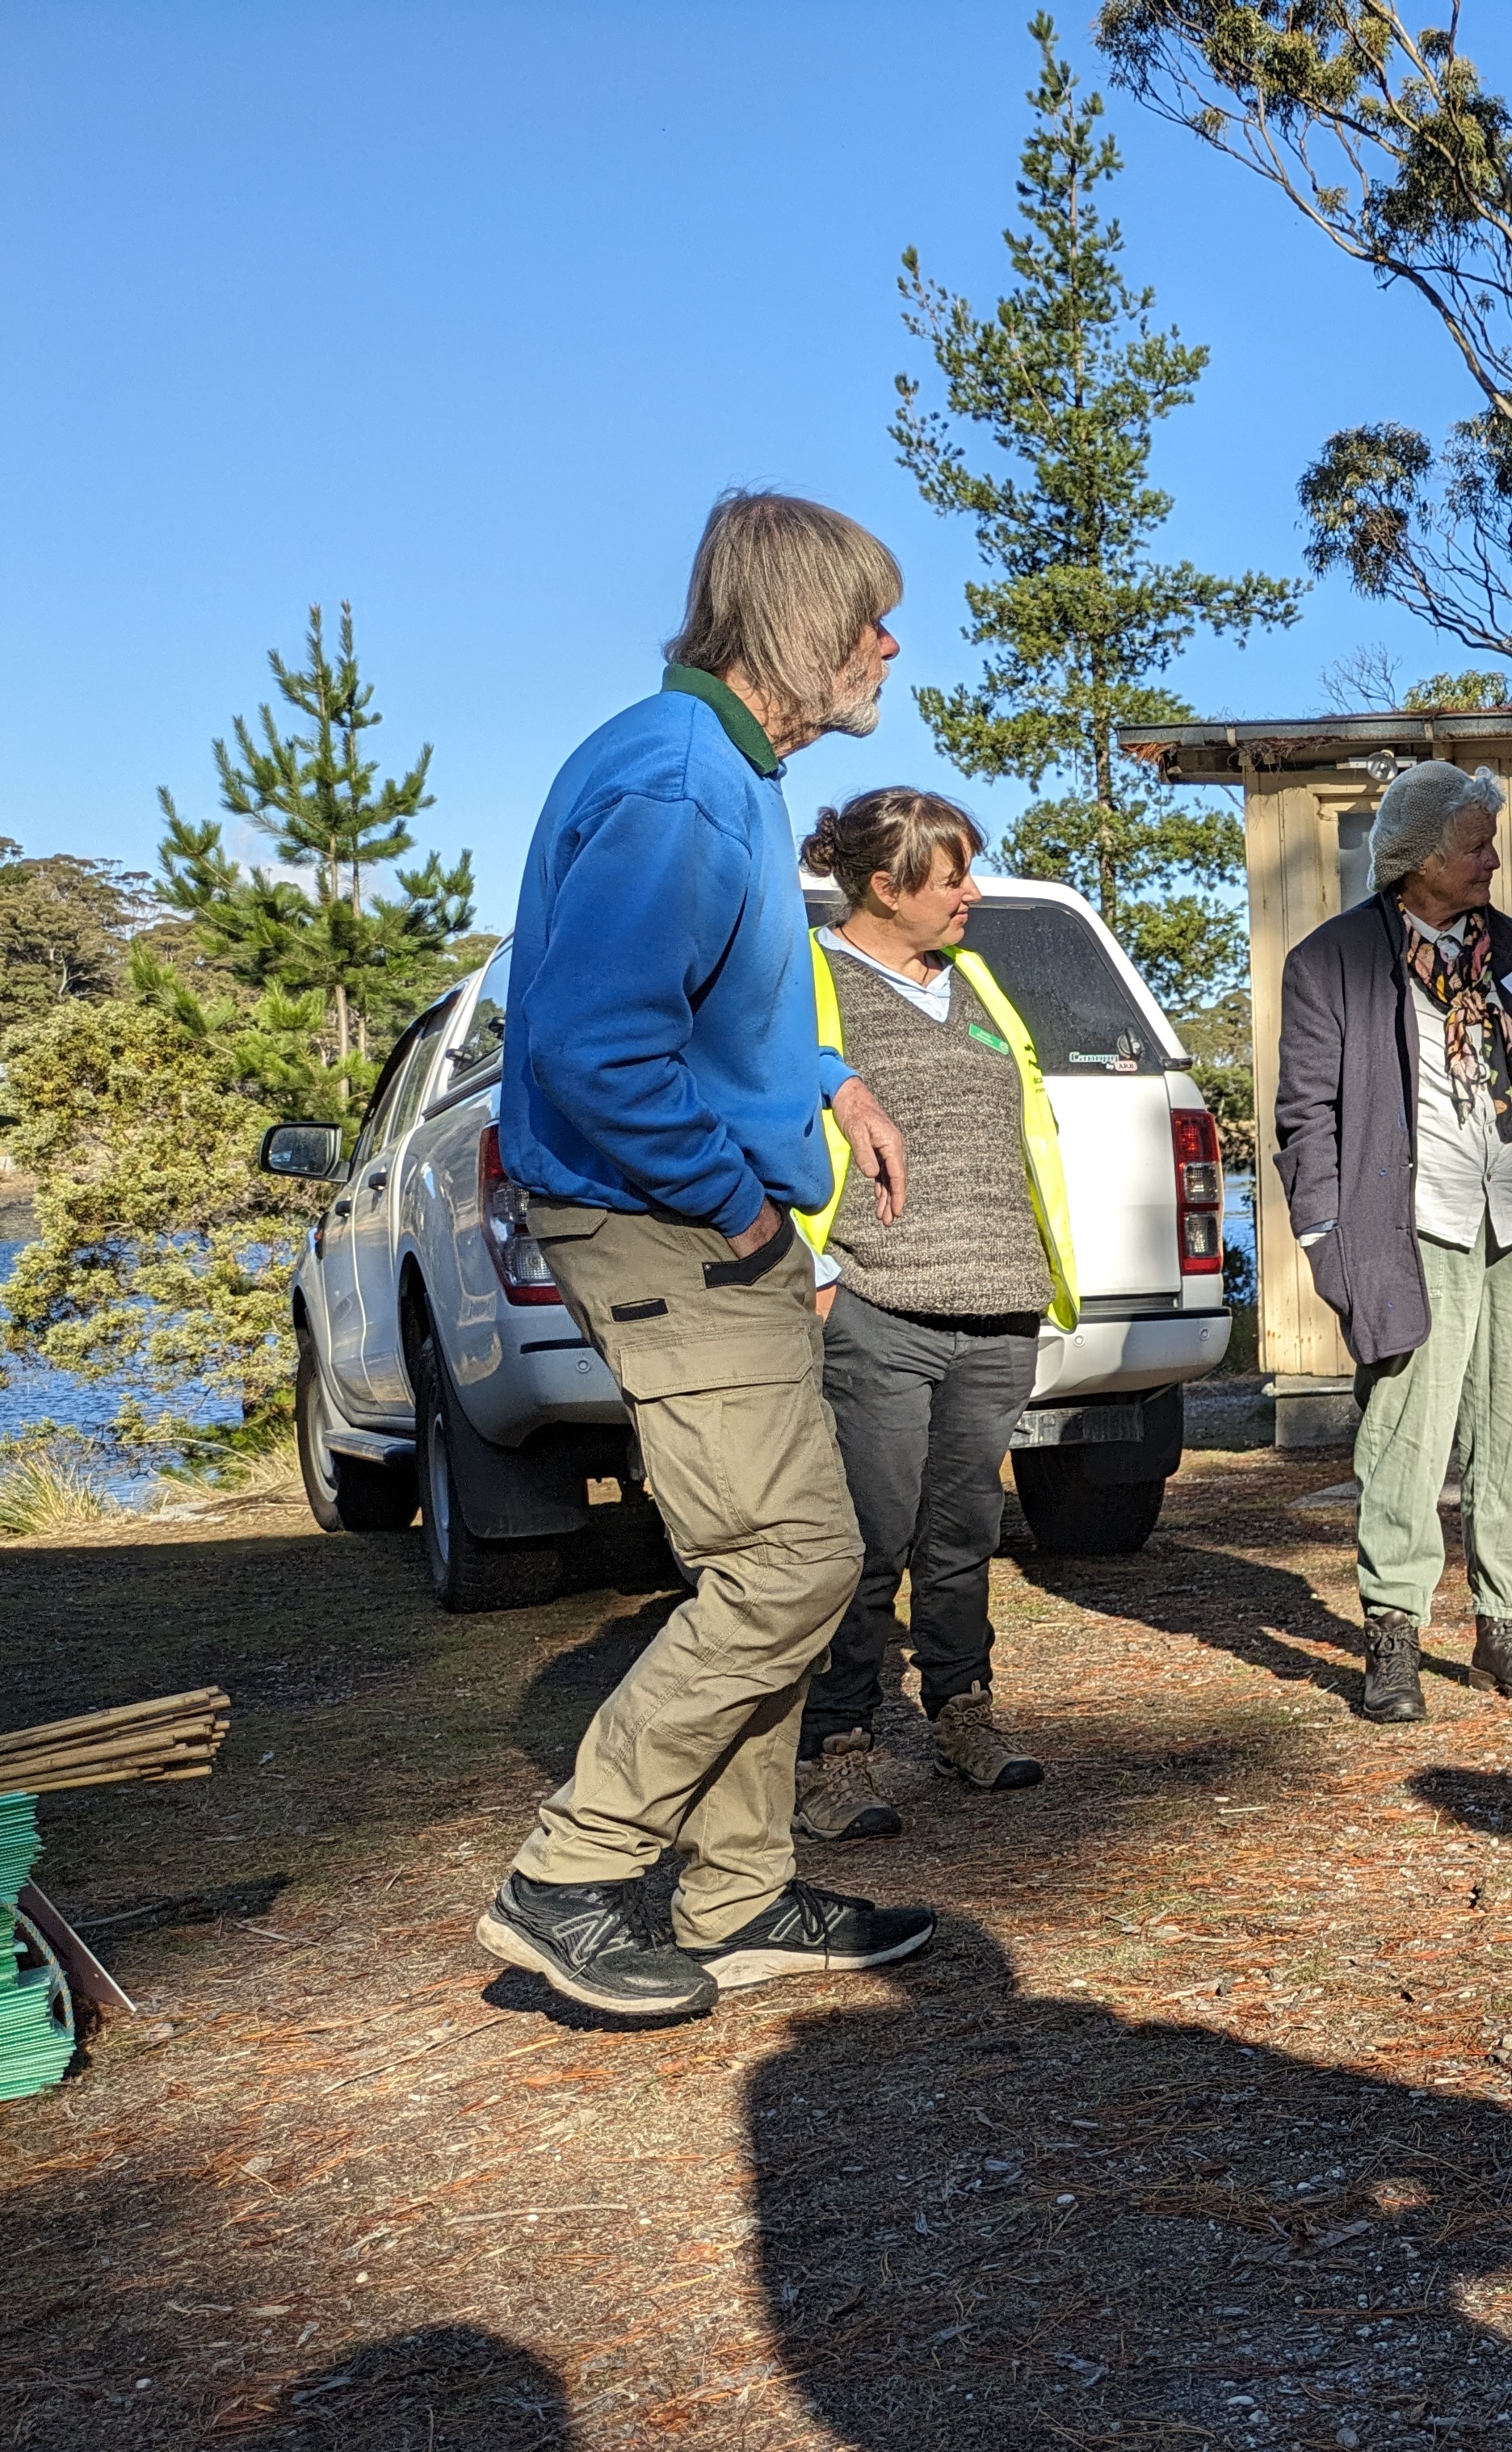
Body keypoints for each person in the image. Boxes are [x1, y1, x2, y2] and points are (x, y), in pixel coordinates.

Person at [477, 491, 937, 2023]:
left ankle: (737, 1897)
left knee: (776, 1558)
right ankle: (572, 1873)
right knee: (795, 1561)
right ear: (800, 629)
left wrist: (824, 1081)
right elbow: (598, 1042)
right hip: (662, 1225)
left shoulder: (721, 773)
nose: (887, 642)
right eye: (867, 614)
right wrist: (735, 1200)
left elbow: (714, 1007)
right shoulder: (680, 780)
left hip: (692, 1217)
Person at [1275, 759, 1512, 1724]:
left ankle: (1505, 1625)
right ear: (1415, 858)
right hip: (1408, 1228)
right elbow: (1307, 1118)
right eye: (1474, 845)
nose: (1491, 861)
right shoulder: (1331, 959)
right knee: (1406, 1436)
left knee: (1511, 1433)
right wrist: (1329, 1239)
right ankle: (1392, 1634)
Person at [788, 788, 1077, 1844]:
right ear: (882, 885)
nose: (973, 893)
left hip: (997, 1303)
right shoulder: (808, 985)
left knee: (963, 1529)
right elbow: (762, 1130)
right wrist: (820, 1277)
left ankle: (964, 1714)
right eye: (952, 875)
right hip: (877, 1305)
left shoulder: (976, 984)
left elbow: (1024, 1136)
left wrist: (1037, 1272)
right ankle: (834, 1750)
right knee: (867, 1537)